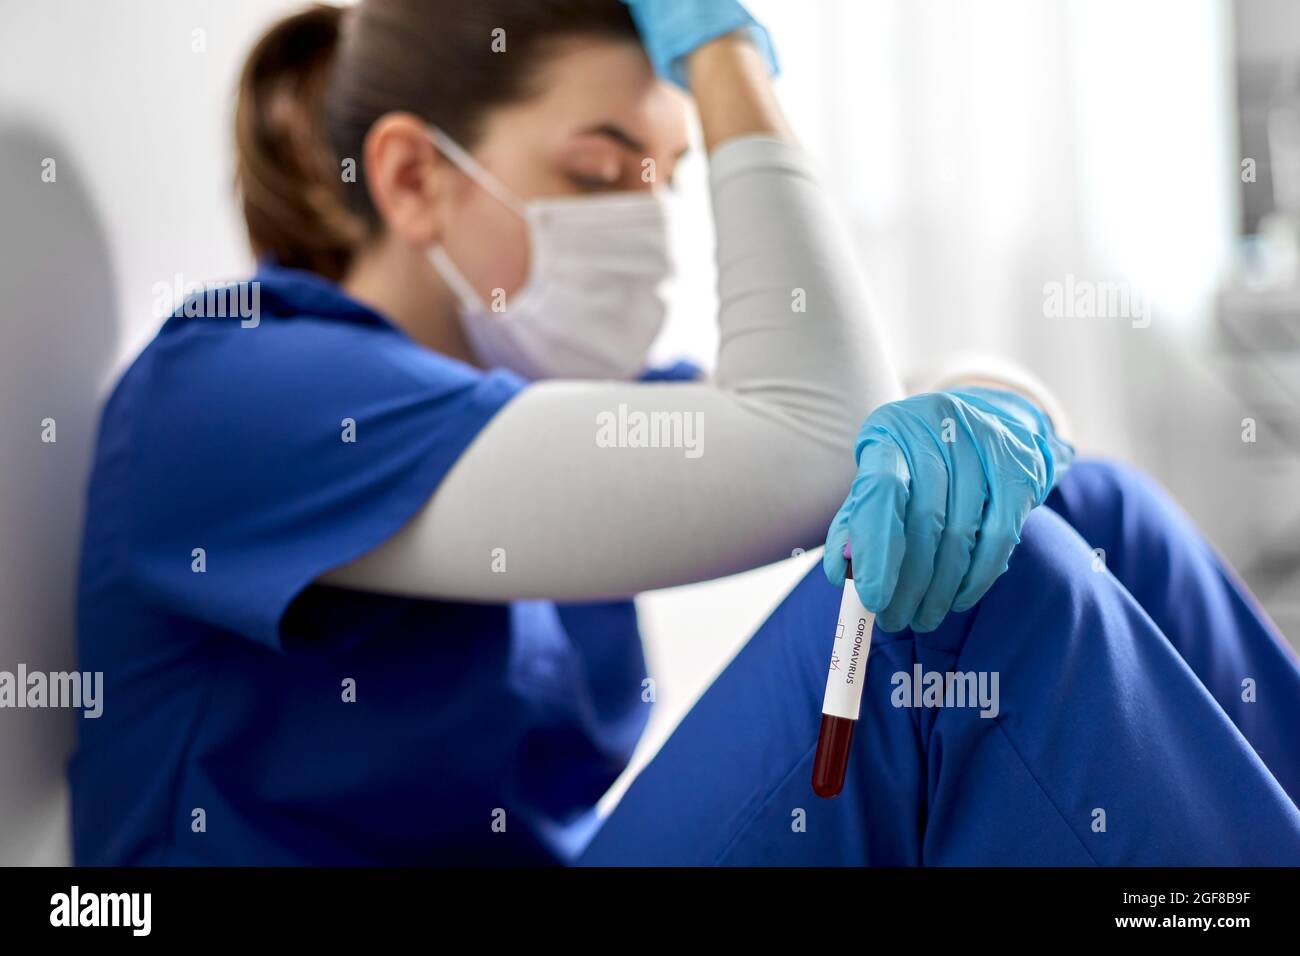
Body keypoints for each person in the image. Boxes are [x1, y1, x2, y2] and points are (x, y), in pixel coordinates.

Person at [69, 0, 1300, 866]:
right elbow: (812, 443)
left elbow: (883, 420)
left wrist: (1003, 408)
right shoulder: (234, 392)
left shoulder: (535, 411)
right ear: (410, 178)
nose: (652, 228)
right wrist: (720, 51)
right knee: (951, 608)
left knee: (1086, 511)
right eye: (606, 171)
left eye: (670, 178)